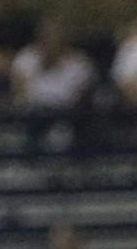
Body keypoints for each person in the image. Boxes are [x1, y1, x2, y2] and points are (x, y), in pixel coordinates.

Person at [11, 18, 96, 150]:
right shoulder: (26, 58)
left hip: (66, 115)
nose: (51, 43)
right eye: (47, 37)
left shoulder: (80, 63)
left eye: (56, 38)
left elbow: (79, 96)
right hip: (34, 114)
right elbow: (21, 92)